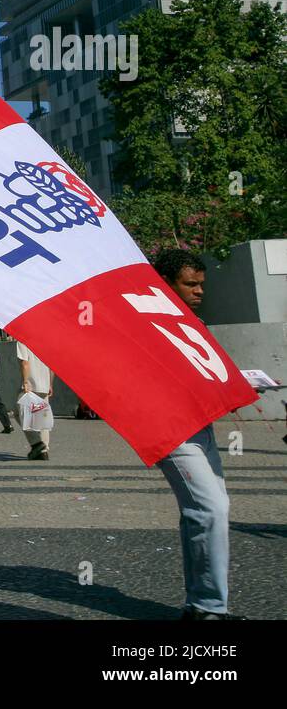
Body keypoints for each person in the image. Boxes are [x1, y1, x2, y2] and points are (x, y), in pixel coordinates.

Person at [153, 249, 237, 619]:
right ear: (167, 285)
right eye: (190, 284)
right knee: (209, 509)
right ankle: (207, 609)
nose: (199, 291)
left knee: (206, 512)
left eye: (201, 284)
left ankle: (201, 605)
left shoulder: (193, 324)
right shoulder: (149, 323)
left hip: (200, 425)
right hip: (171, 429)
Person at [16, 341, 54, 459]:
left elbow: (25, 363)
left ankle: (37, 443)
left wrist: (25, 381)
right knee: (42, 417)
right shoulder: (43, 341)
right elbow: (52, 366)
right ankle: (44, 451)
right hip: (44, 385)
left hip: (31, 385)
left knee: (19, 414)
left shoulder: (22, 341)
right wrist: (50, 384)